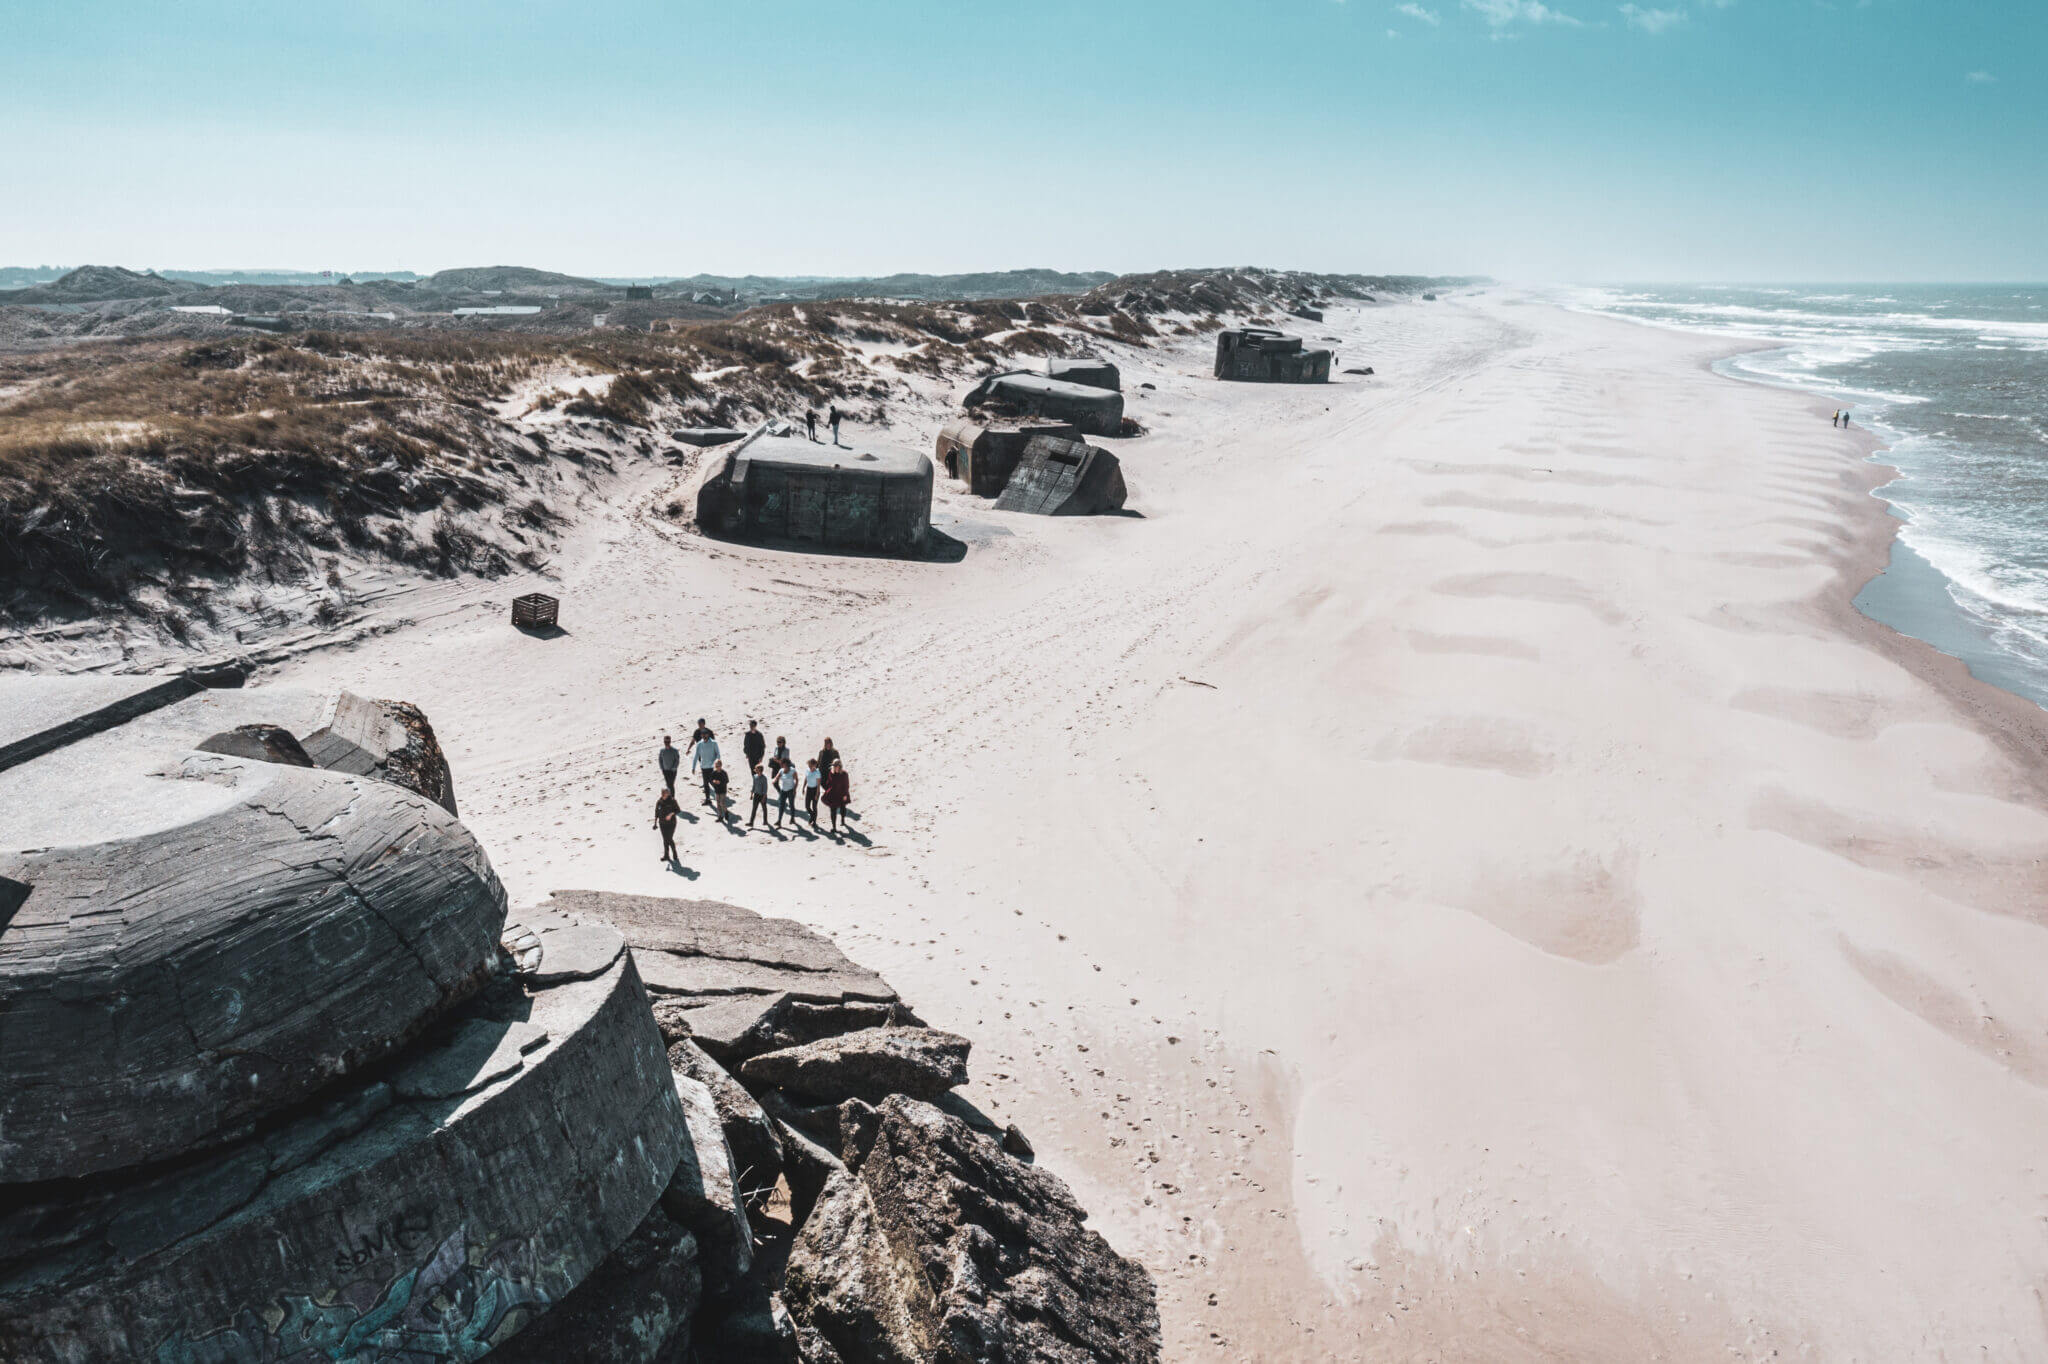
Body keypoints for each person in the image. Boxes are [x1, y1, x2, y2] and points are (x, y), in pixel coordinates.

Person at [822, 759, 851, 832]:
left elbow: (846, 785)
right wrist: (827, 789)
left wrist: (845, 795)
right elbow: (828, 782)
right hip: (833, 794)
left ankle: (842, 819)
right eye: (834, 766)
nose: (835, 767)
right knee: (833, 811)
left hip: (842, 794)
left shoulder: (844, 774)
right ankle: (834, 827)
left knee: (843, 809)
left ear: (840, 766)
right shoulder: (831, 773)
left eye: (836, 766)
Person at [693, 729, 721, 805]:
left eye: (705, 734)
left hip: (711, 766)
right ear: (701, 735)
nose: (704, 736)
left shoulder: (714, 743)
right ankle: (708, 799)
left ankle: (720, 792)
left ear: (708, 735)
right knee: (706, 783)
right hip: (703, 766)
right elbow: (696, 756)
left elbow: (718, 755)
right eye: (703, 734)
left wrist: (715, 763)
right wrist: (693, 767)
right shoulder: (699, 744)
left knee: (711, 781)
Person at [654, 789, 681, 862]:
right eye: (664, 794)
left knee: (668, 838)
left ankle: (674, 853)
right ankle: (666, 855)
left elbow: (678, 810)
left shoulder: (672, 801)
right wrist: (655, 823)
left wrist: (671, 814)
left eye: (666, 794)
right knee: (665, 839)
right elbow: (656, 812)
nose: (665, 795)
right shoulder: (659, 802)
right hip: (662, 823)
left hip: (671, 823)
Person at [775, 759, 799, 826]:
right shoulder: (781, 770)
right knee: (781, 805)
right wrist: (775, 780)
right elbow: (777, 777)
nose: (783, 765)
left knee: (791, 805)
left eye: (784, 764)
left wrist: (795, 789)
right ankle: (779, 821)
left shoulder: (793, 770)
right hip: (783, 790)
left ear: (788, 764)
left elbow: (797, 780)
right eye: (782, 764)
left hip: (791, 790)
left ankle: (792, 818)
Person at [803, 758, 823, 824]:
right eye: (809, 766)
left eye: (811, 766)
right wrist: (803, 787)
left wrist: (817, 794)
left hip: (815, 790)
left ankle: (814, 821)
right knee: (807, 806)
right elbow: (806, 778)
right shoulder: (807, 770)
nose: (810, 767)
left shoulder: (817, 773)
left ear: (815, 765)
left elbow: (818, 785)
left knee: (814, 807)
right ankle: (812, 816)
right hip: (809, 789)